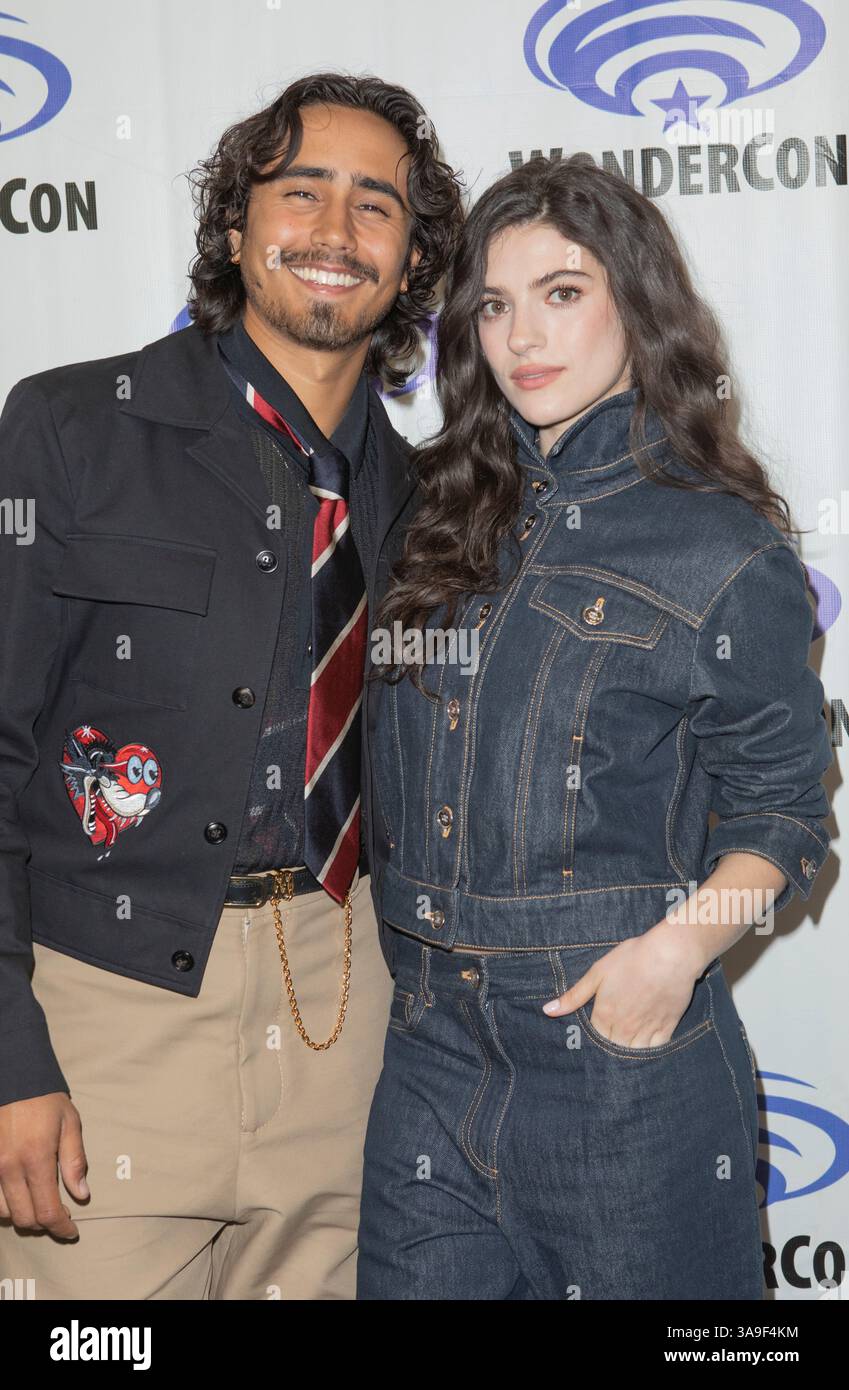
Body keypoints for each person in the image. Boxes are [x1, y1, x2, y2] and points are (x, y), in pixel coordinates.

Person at [0, 72, 463, 1300]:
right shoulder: (69, 432)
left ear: (414, 261)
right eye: (299, 189)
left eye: (376, 205)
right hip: (106, 1015)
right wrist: (8, 1062)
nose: (333, 230)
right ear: (234, 226)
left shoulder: (427, 505)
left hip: (344, 1009)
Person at [356, 153, 833, 1301]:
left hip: (619, 1063)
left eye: (563, 292)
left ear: (636, 301)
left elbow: (785, 812)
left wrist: (673, 958)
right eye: (496, 304)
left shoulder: (721, 547)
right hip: (425, 1051)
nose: (525, 335)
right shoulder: (427, 512)